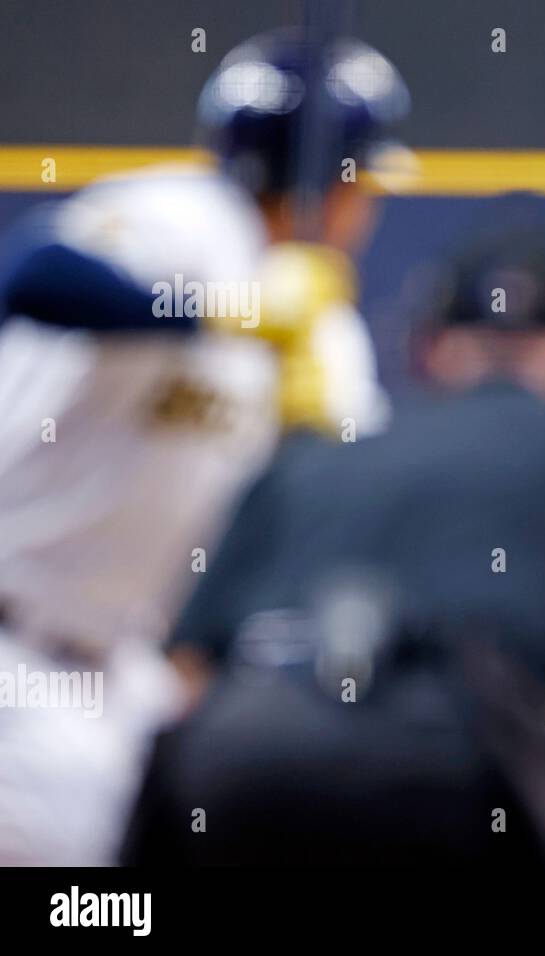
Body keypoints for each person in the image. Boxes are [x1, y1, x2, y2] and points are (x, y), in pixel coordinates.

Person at [122, 197, 545, 865]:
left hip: (237, 762)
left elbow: (185, 676)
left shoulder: (311, 456)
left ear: (432, 348)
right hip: (443, 769)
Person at [0, 29, 405, 864]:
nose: (369, 205)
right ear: (325, 178)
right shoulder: (179, 217)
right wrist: (225, 313)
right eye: (365, 179)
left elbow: (348, 514)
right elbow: (34, 279)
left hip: (126, 678)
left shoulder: (327, 335)